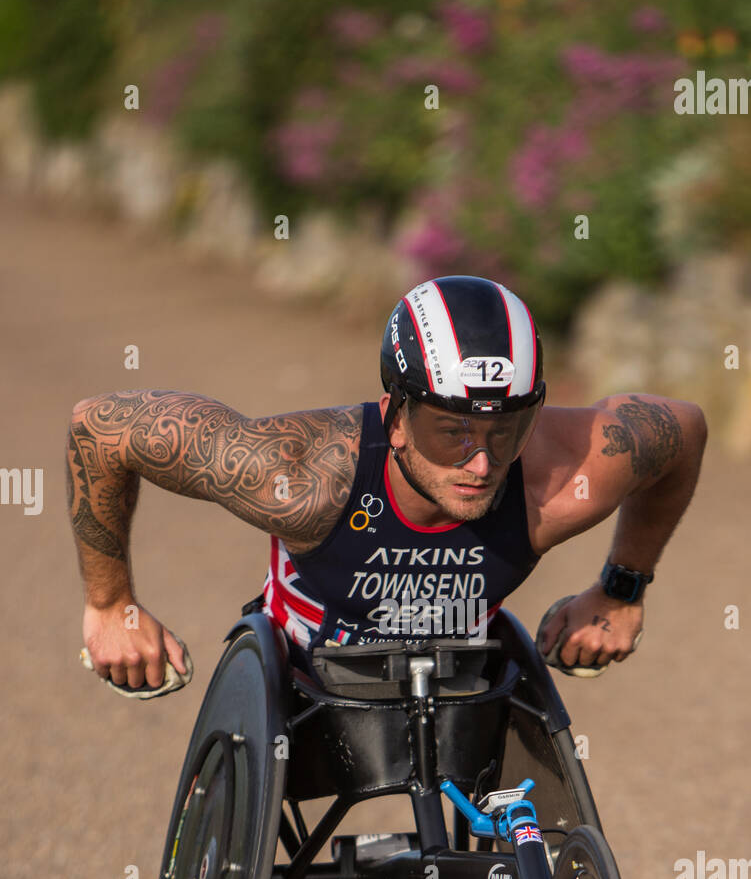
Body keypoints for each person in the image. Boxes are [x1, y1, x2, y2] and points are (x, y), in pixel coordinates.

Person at [67, 274, 706, 692]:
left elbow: (684, 428)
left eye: (505, 430)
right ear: (395, 415)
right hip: (310, 678)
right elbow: (100, 427)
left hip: (463, 679)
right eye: (450, 431)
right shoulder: (300, 476)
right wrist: (109, 607)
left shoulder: (559, 481)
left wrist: (621, 589)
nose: (480, 464)